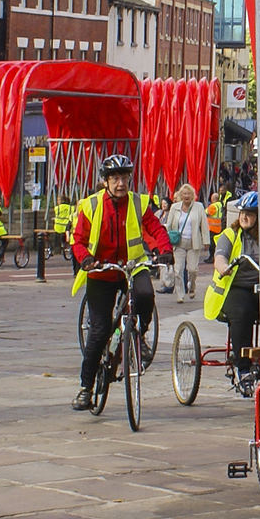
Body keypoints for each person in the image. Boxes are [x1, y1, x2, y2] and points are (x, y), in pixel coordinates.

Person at [69, 155, 173, 411]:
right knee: (99, 330)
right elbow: (78, 240)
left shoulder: (138, 203)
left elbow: (156, 229)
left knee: (146, 295)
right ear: (105, 181)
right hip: (101, 271)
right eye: (114, 178)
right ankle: (86, 388)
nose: (120, 183)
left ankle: (140, 335)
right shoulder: (91, 205)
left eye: (124, 177)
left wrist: (165, 249)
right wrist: (86, 260)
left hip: (132, 267)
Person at [207, 192, 260, 394]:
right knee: (243, 314)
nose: (244, 217)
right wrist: (223, 266)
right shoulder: (229, 235)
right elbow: (220, 255)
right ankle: (243, 369)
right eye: (242, 213)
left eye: (249, 213)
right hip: (234, 288)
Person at [163, 183, 209, 300]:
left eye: (188, 194)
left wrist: (206, 241)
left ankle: (192, 287)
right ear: (181, 195)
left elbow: (204, 225)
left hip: (193, 242)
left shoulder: (198, 207)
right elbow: (169, 225)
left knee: (193, 270)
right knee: (178, 270)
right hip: (179, 243)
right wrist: (166, 239)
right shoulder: (175, 207)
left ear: (192, 195)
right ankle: (180, 294)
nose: (186, 196)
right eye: (184, 194)